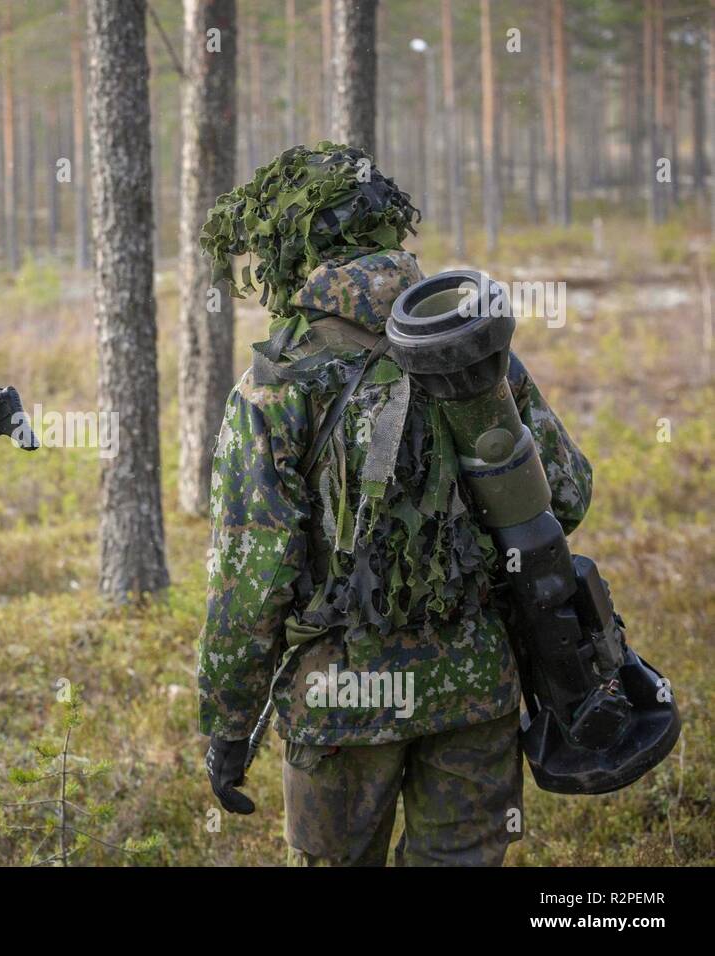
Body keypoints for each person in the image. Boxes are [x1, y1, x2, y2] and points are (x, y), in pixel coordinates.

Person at [197, 142, 593, 866]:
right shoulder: (466, 345)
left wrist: (228, 722)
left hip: (343, 700)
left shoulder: (278, 380)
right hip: (474, 687)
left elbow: (249, 581)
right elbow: (566, 497)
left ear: (292, 247)